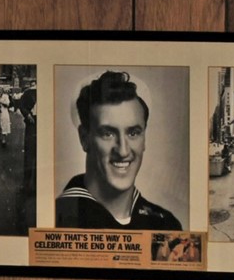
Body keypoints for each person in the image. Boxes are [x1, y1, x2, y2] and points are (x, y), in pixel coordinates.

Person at [54, 70, 181, 231]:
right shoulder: (56, 218)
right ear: (84, 138)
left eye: (133, 133)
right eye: (108, 134)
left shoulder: (166, 224)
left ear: (144, 138)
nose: (123, 151)